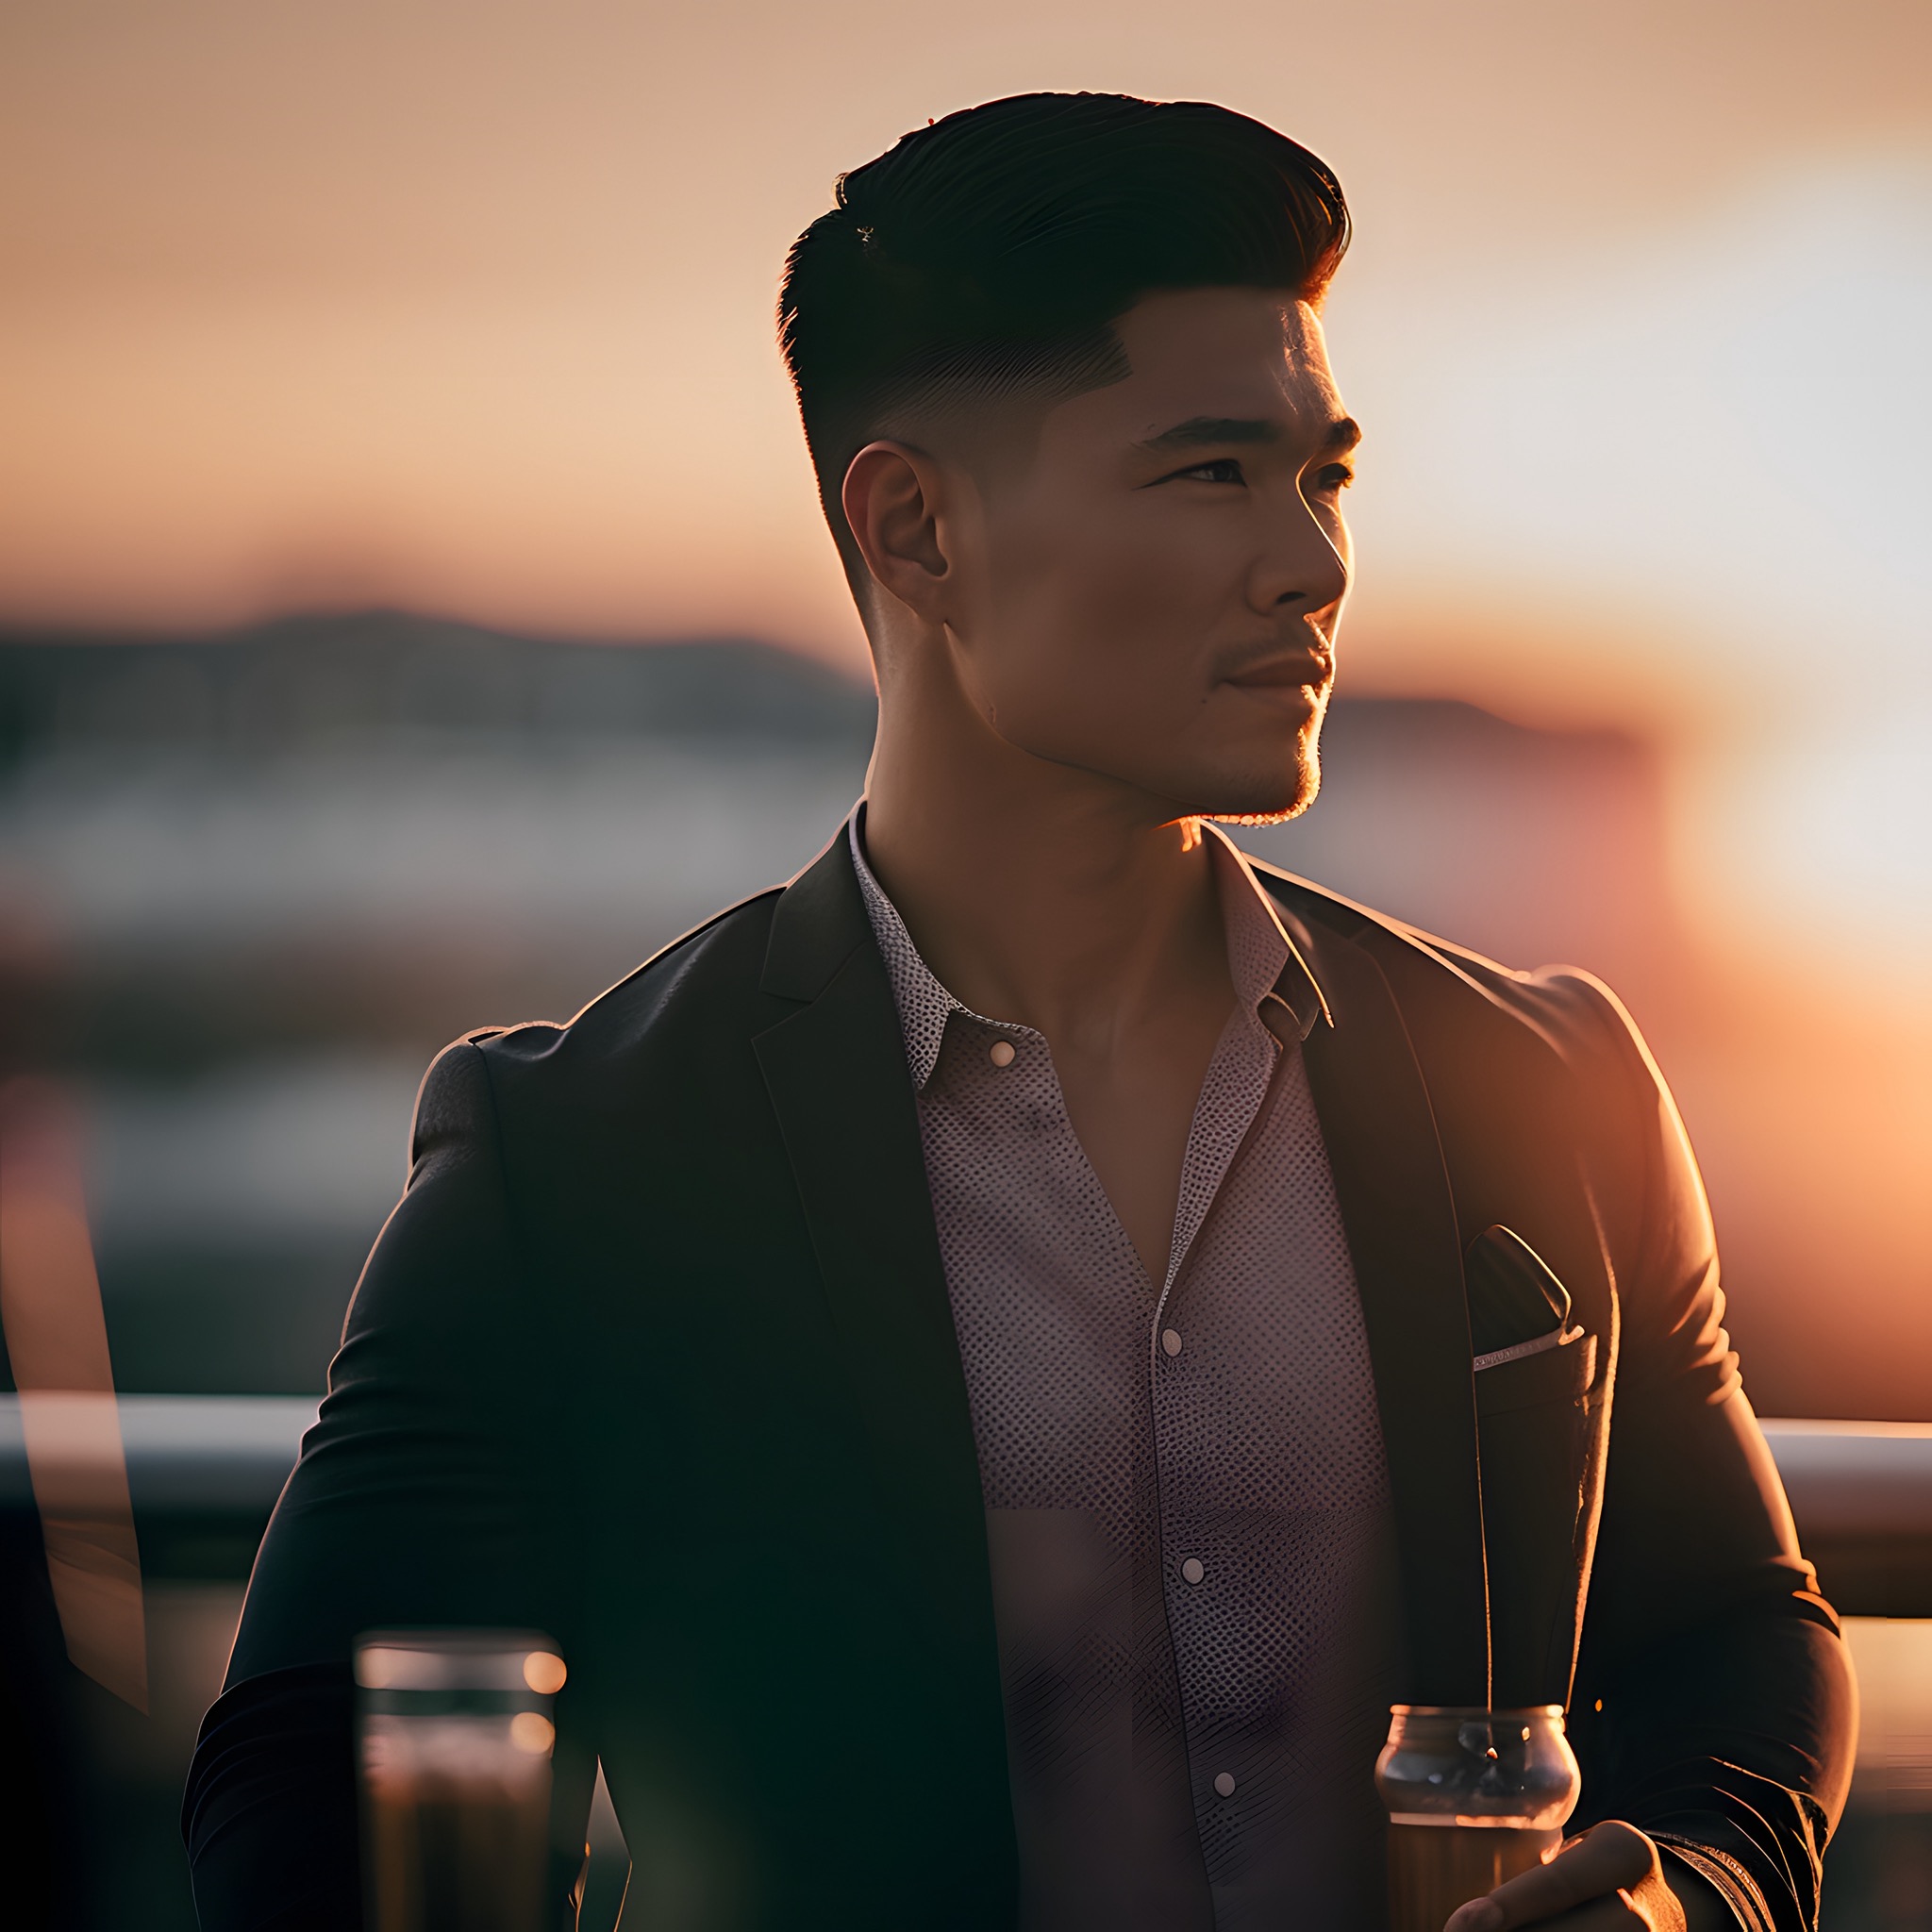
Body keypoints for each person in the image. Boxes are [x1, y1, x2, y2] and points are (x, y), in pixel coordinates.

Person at [184, 92, 1853, 1932]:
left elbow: (1732, 1634)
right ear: (915, 532)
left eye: (1327, 474)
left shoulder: (1541, 1080)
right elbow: (305, 1776)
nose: (1310, 560)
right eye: (1214, 471)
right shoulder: (579, 1158)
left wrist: (1695, 1889)